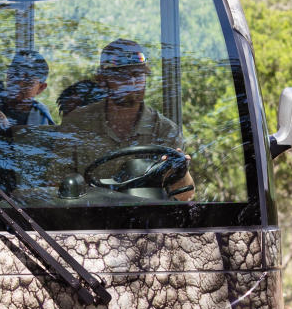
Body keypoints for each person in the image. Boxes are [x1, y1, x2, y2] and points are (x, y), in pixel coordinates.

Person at [57, 39, 195, 200]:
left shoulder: (165, 130)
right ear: (103, 80)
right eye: (122, 75)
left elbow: (185, 197)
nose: (132, 82)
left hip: (148, 220)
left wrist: (179, 171)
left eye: (138, 74)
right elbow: (54, 185)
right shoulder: (77, 124)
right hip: (88, 219)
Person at [0, 49, 55, 128]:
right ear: (7, 76)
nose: (19, 83)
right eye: (14, 75)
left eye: (28, 81)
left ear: (41, 88)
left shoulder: (42, 117)